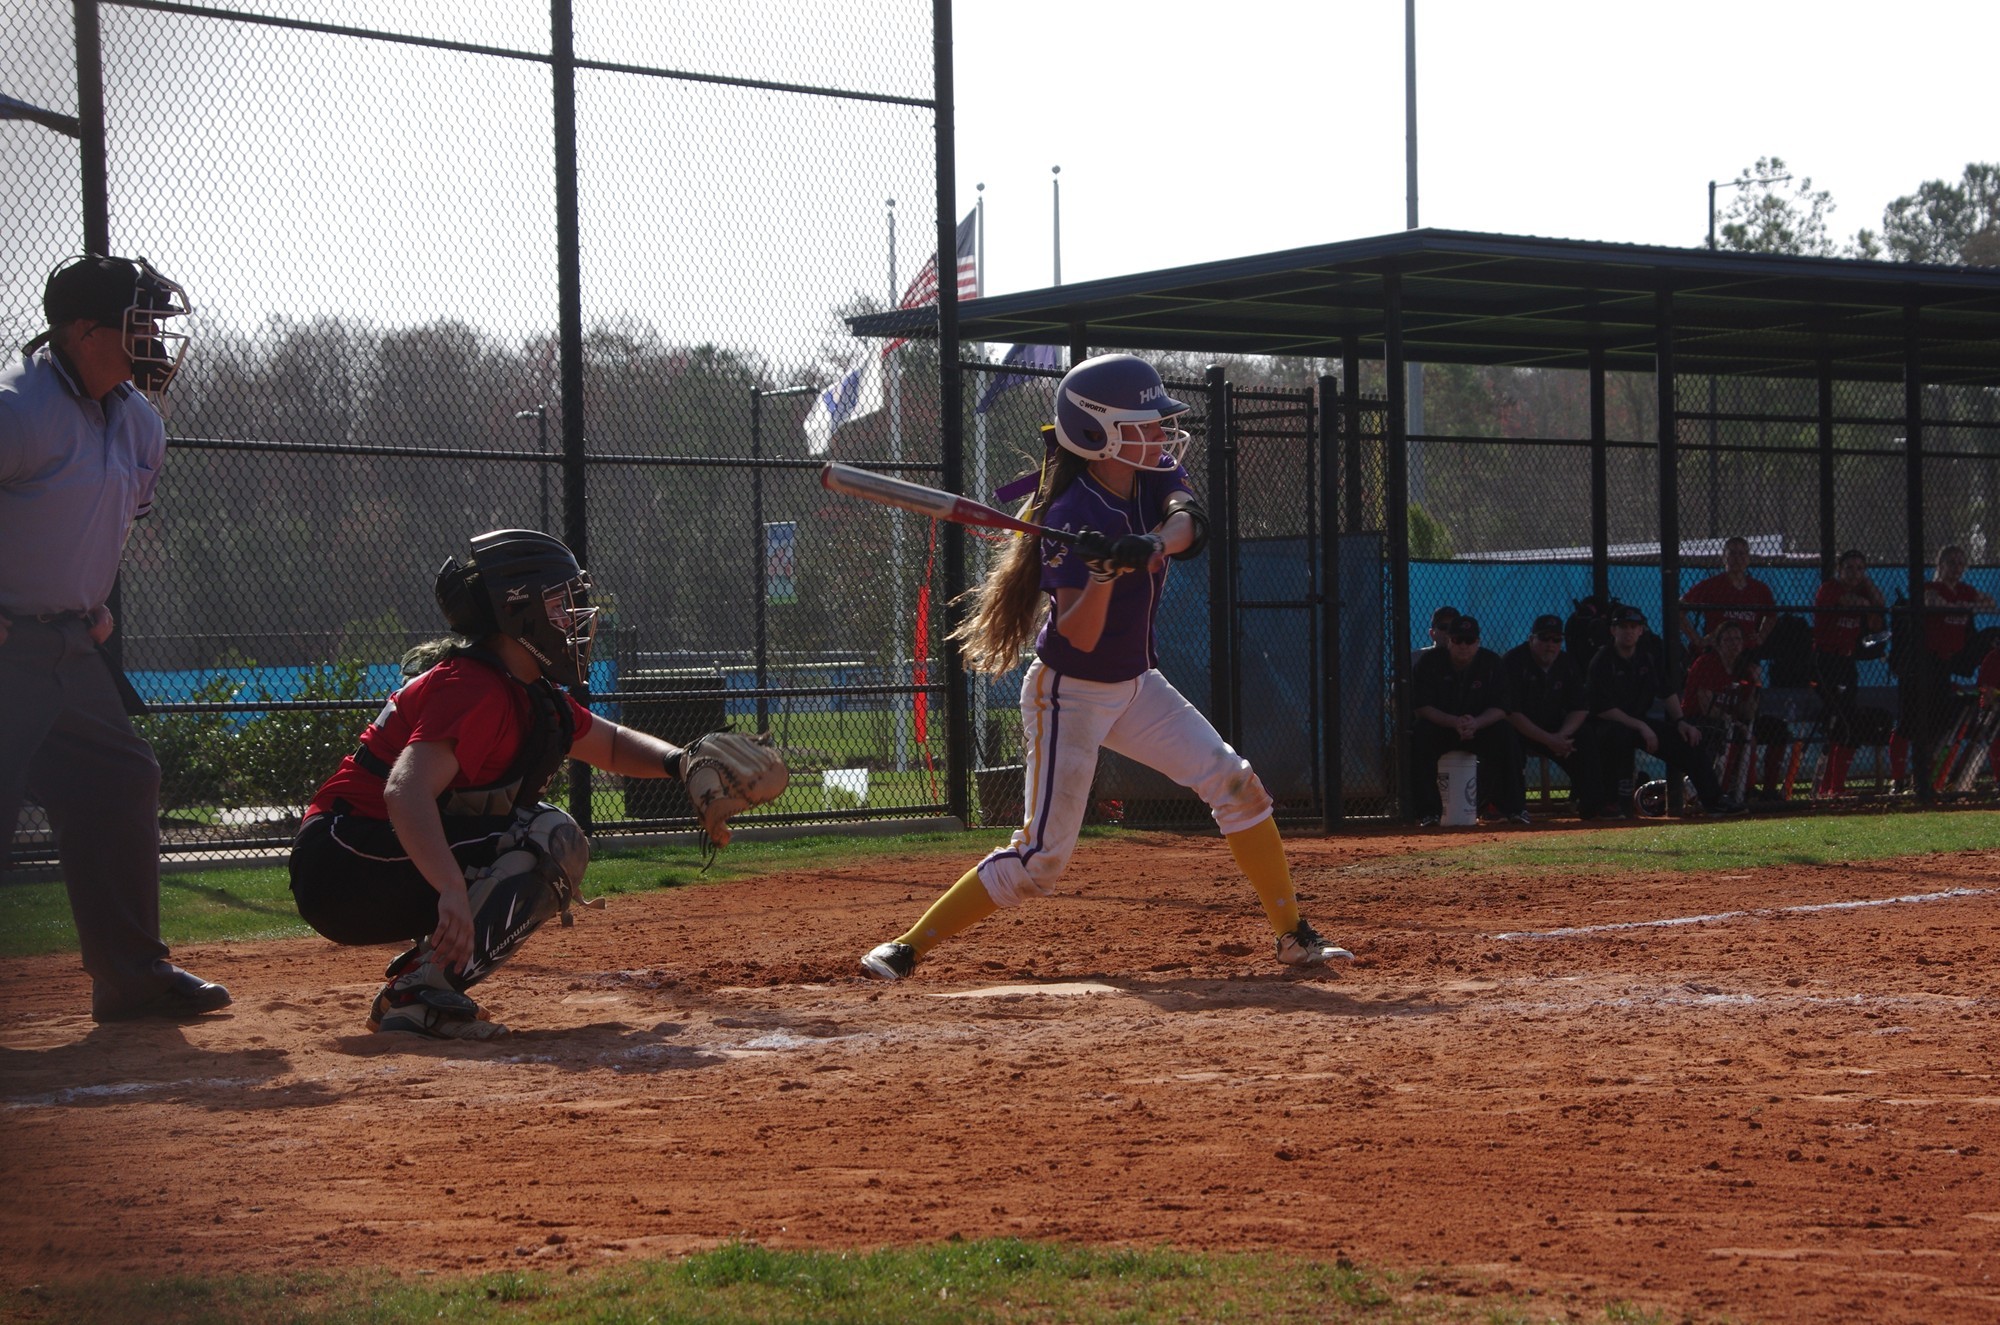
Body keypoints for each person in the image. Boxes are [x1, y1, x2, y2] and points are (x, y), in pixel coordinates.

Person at [857, 354, 1350, 981]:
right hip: (1070, 693)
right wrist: (1100, 576)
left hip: (1136, 685)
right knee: (1040, 861)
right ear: (1099, 435)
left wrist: (1149, 544)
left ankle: (1293, 937)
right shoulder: (1068, 519)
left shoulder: (1149, 474)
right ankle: (906, 946)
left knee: (1235, 783)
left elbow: (1189, 524)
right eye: (1143, 424)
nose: (1160, 434)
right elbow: (1080, 639)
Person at [289, 529, 716, 1039]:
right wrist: (449, 885)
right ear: (519, 612)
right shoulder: (473, 688)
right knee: (547, 839)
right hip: (343, 861)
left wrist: (684, 763)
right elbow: (404, 791)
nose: (572, 618)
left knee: (542, 834)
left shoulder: (525, 692)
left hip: (369, 853)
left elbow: (612, 744)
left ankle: (422, 987)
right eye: (559, 603)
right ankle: (419, 994)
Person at [0, 253, 230, 1022]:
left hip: (69, 646)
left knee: (120, 780)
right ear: (80, 331)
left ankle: (131, 974)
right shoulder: (18, 408)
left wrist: (88, 600)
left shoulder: (137, 420)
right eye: (139, 326)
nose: (156, 341)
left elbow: (100, 520)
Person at [1587, 604, 1741, 817]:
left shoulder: (1647, 656)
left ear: (1641, 630)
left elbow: (1667, 691)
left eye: (1634, 626)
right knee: (1618, 736)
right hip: (1609, 724)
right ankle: (1613, 803)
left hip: (1640, 723)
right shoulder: (1602, 660)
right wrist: (1641, 726)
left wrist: (1680, 721)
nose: (1629, 631)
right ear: (1613, 630)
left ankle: (1714, 801)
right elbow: (1602, 709)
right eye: (1623, 626)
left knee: (1690, 740)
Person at [1890, 543, 1995, 802]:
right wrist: (1964, 603)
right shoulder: (1929, 588)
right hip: (1921, 664)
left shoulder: (1963, 590)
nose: (1956, 569)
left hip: (1944, 667)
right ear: (1941, 565)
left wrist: (1961, 601)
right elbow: (1933, 602)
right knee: (1910, 721)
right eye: (1951, 563)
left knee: (1937, 723)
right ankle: (1898, 778)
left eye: (1961, 564)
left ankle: (1922, 778)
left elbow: (1989, 603)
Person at [1411, 614, 1525, 825]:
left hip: (1480, 727)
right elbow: (1422, 707)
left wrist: (1477, 723)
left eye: (1470, 641)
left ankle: (1514, 808)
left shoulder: (1491, 662)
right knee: (1420, 733)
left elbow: (1502, 707)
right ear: (1449, 641)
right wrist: (1454, 721)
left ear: (1478, 642)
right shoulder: (1430, 662)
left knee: (1506, 734)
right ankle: (1428, 812)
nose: (1464, 646)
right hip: (1442, 727)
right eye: (1458, 640)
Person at [1501, 614, 1599, 820]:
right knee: (1506, 737)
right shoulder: (1514, 661)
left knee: (1585, 736)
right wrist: (1550, 740)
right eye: (1544, 639)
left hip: (1554, 728)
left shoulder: (1566, 662)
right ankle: (1514, 809)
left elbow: (1580, 708)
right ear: (1531, 639)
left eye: (1556, 640)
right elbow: (1511, 713)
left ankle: (1592, 806)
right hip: (1521, 728)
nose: (1550, 645)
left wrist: (1561, 736)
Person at [1681, 620, 1789, 801]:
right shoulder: (1706, 663)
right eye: (1728, 640)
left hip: (1734, 722)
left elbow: (1749, 712)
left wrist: (1755, 684)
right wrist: (1735, 723)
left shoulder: (1743, 667)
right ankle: (1720, 790)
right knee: (1727, 732)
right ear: (1717, 643)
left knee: (1777, 729)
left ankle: (1768, 790)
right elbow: (1706, 706)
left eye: (1738, 639)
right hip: (1700, 720)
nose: (1734, 644)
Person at [1809, 549, 1886, 796]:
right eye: (1849, 568)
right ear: (1839, 570)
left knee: (1847, 724)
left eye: (1860, 569)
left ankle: (1832, 788)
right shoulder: (1830, 588)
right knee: (1842, 721)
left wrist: (1867, 585)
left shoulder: (1863, 588)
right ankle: (1830, 787)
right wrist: (1866, 603)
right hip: (1825, 661)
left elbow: (1879, 608)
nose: (1855, 574)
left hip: (1847, 661)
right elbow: (1851, 602)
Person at [1680, 535, 1777, 655]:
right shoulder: (1711, 585)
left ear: (1748, 559)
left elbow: (1771, 616)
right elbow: (1679, 609)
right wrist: (1698, 640)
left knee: (1753, 670)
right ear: (1724, 557)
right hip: (1717, 651)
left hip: (1746, 652)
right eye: (1732, 553)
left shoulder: (1759, 588)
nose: (1737, 558)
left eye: (1742, 554)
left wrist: (1761, 637)